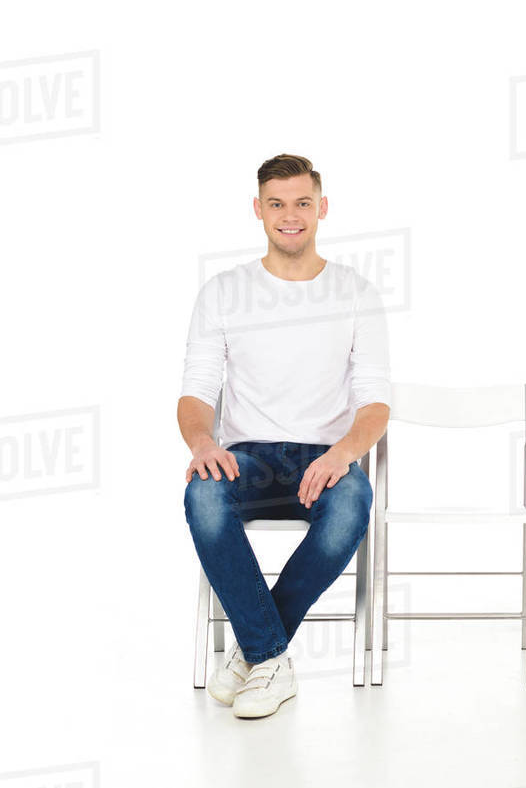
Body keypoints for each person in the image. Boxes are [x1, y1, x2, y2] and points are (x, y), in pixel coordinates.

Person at [178, 154, 391, 718]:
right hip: (246, 458)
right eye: (277, 204)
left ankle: (254, 655)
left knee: (352, 504)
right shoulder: (224, 292)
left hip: (326, 458)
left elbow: (374, 401)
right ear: (258, 210)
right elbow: (196, 392)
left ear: (321, 208)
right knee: (202, 493)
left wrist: (344, 453)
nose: (289, 216)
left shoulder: (355, 292)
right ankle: (269, 657)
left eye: (302, 203)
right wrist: (203, 443)